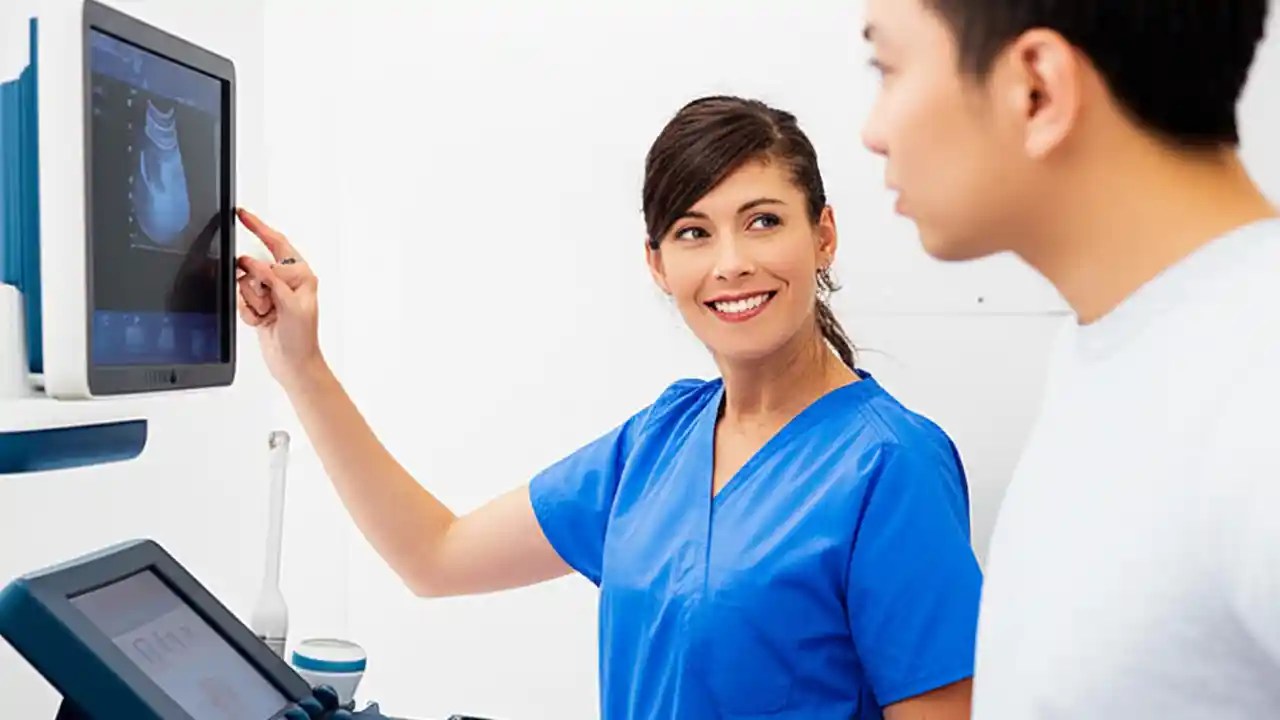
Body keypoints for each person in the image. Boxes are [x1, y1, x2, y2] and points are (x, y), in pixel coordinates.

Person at [236, 96, 982, 720]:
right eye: (694, 232)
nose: (730, 263)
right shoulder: (661, 441)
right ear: (658, 264)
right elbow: (435, 554)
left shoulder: (892, 465)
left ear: (822, 235)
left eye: (762, 221)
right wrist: (300, 365)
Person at [860, 1, 1279, 717]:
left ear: (1037, 89)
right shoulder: (1123, 342)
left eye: (887, 68)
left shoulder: (1256, 388)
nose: (873, 131)